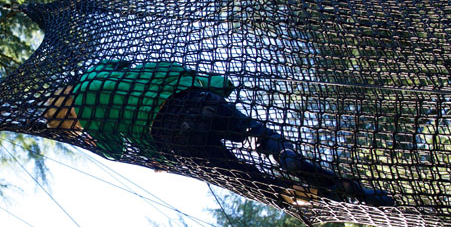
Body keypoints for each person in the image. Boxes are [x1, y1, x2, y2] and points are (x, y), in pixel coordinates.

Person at [41, 60, 394, 207]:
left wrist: (95, 139)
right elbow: (123, 66)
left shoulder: (90, 116)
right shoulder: (97, 73)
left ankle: (315, 193)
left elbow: (116, 150)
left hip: (173, 135)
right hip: (194, 98)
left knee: (247, 179)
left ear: (69, 115)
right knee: (256, 135)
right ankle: (288, 157)